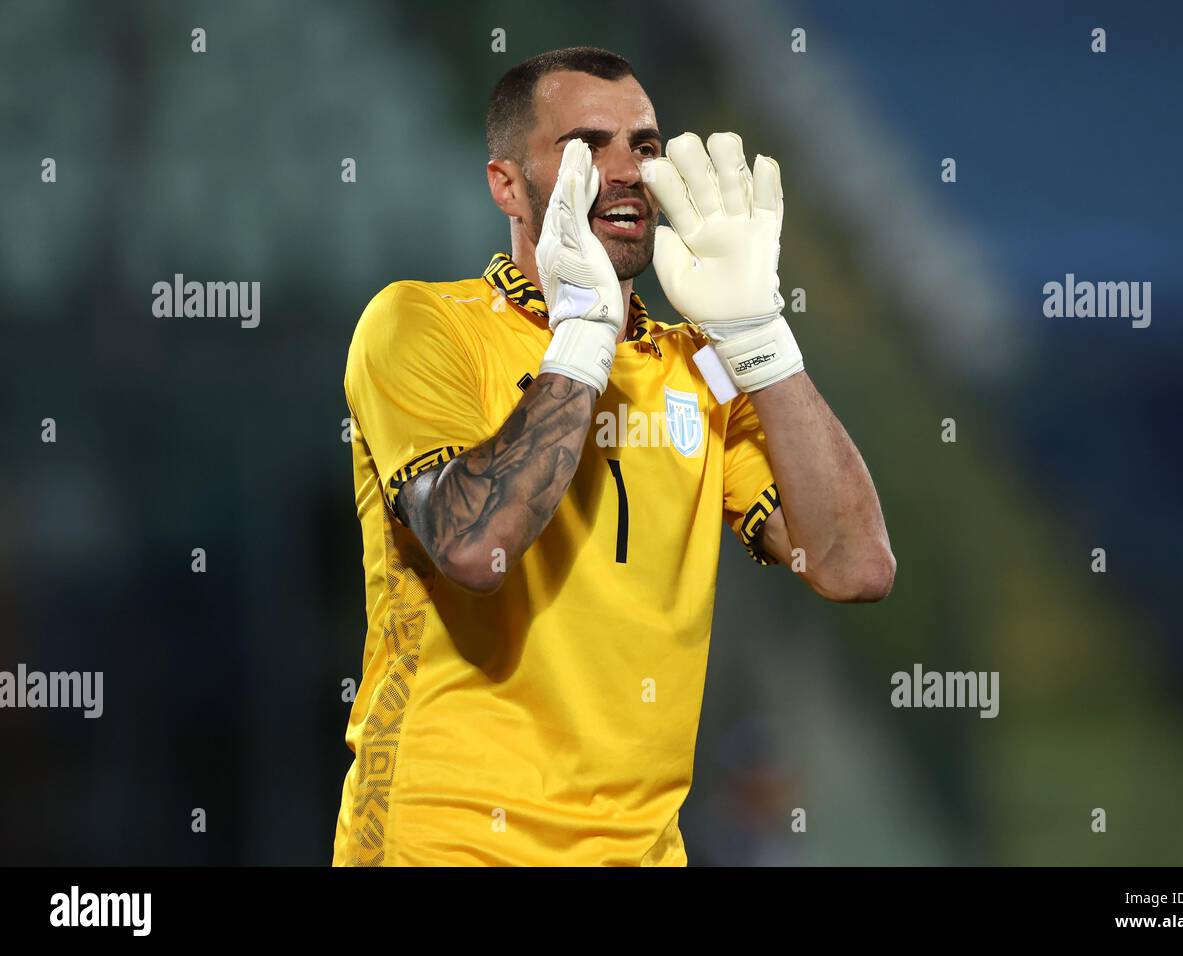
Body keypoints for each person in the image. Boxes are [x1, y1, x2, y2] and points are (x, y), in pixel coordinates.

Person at [333, 46, 895, 866]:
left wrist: (761, 336)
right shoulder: (421, 326)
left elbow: (855, 568)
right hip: (443, 844)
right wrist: (583, 338)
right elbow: (473, 546)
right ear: (505, 185)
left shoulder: (700, 368)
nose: (626, 170)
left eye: (645, 144)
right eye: (585, 146)